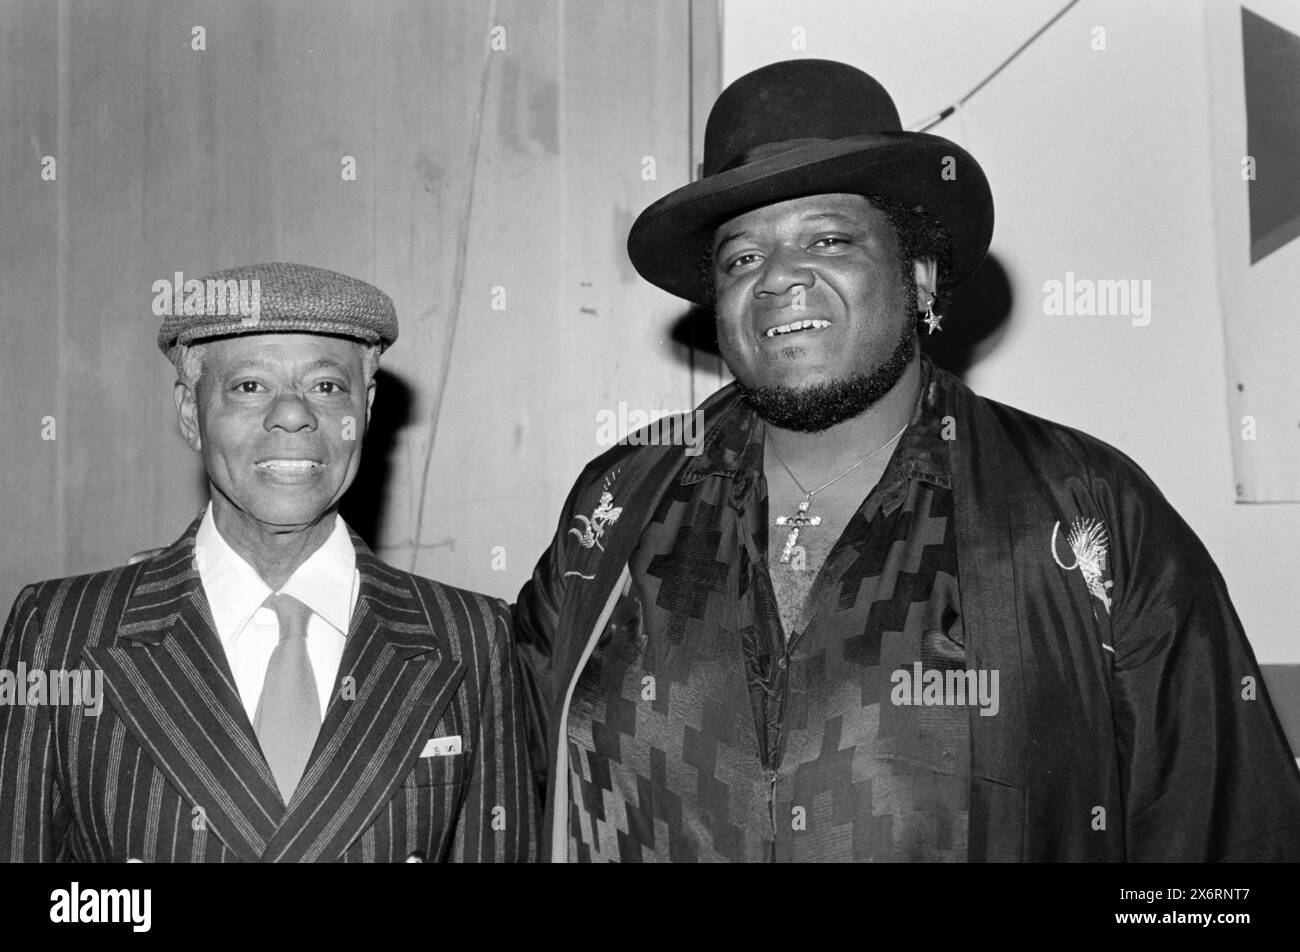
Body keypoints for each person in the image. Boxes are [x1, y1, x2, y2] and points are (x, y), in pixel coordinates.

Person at [514, 59, 1300, 862]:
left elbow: (1225, 849)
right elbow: (511, 770)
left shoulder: (1083, 512)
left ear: (918, 275)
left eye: (828, 239)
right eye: (741, 258)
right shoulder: (619, 502)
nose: (780, 277)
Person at [0, 262, 536, 862]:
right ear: (189, 413)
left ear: (366, 410)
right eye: (249, 386)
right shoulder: (62, 631)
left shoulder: (467, 635)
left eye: (327, 387)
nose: (292, 413)